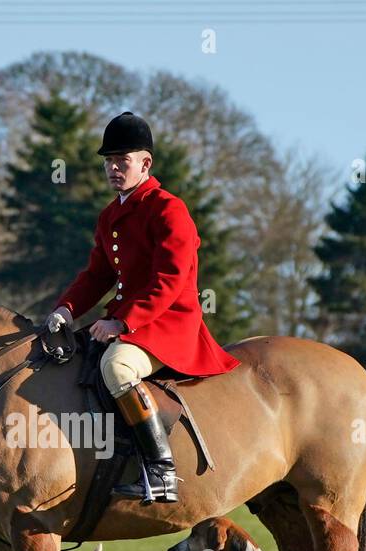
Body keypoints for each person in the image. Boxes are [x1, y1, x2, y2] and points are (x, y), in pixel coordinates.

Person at [44, 111, 239, 503]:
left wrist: (123, 324)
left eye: (123, 161)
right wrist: (66, 308)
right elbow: (97, 275)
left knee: (116, 366)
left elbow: (169, 280)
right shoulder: (110, 214)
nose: (113, 168)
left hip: (170, 324)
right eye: (108, 162)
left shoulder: (169, 210)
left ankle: (162, 471)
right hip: (131, 320)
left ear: (145, 164)